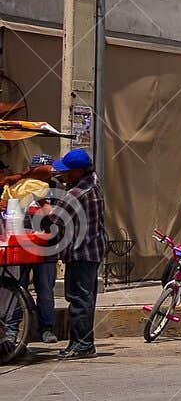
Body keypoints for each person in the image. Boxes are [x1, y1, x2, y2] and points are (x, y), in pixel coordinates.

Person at [48, 149, 107, 359]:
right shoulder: (93, 181)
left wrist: (42, 209)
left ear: (78, 171)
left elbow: (54, 219)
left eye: (68, 172)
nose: (64, 175)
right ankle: (83, 343)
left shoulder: (77, 194)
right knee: (86, 298)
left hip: (81, 252)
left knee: (78, 298)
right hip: (94, 249)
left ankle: (82, 345)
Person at [2, 155, 56, 344]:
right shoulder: (17, 187)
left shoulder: (55, 189)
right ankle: (12, 329)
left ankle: (47, 328)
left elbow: (54, 215)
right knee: (17, 289)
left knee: (46, 291)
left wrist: (42, 201)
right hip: (20, 248)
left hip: (46, 249)